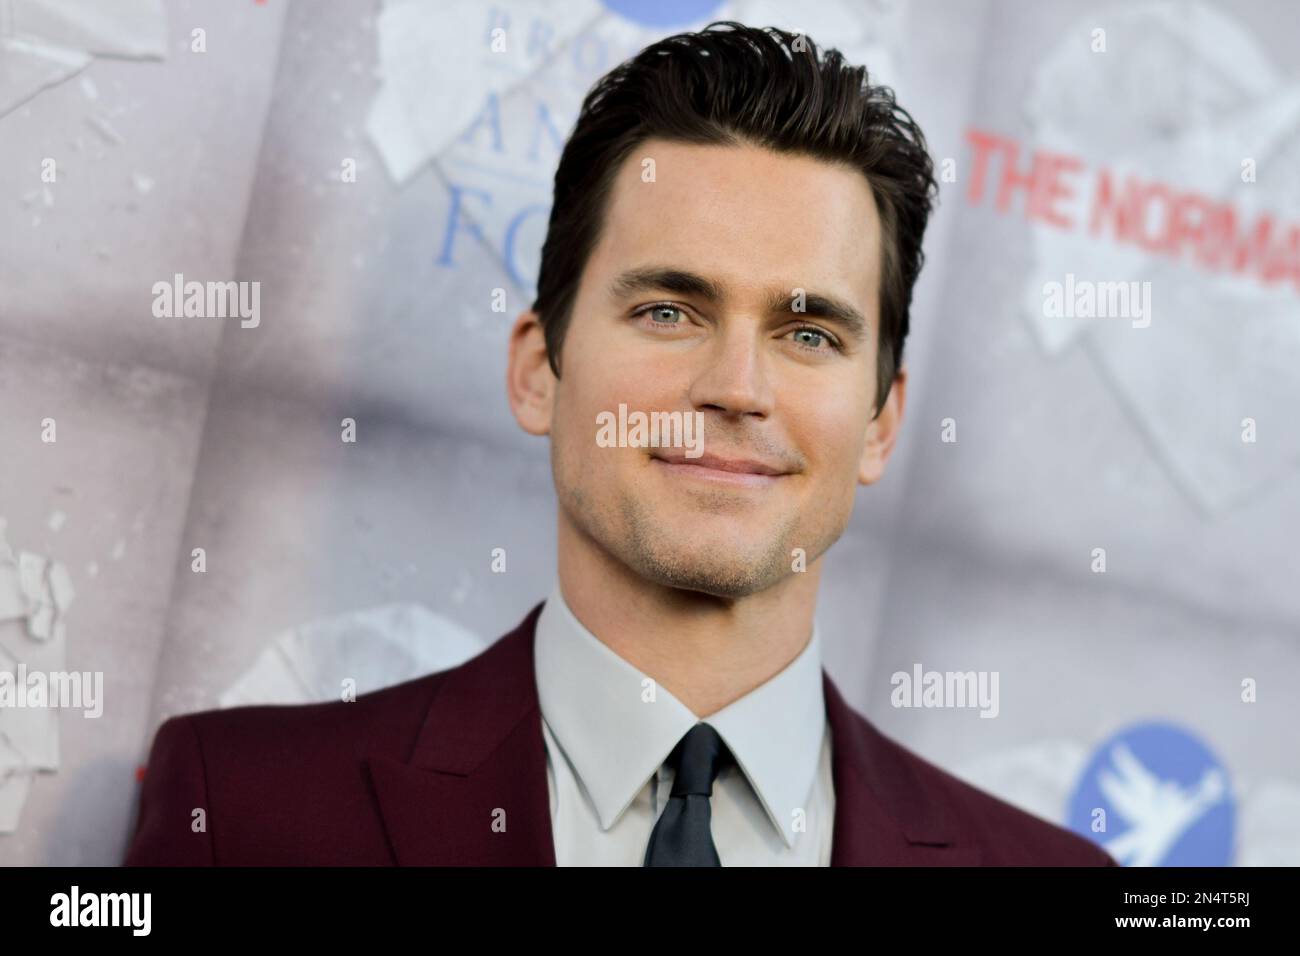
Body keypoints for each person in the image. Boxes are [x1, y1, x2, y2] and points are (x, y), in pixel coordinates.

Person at [124, 21, 1117, 867]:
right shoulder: (244, 808)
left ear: (881, 421)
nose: (736, 387)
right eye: (668, 311)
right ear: (538, 370)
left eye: (808, 333)